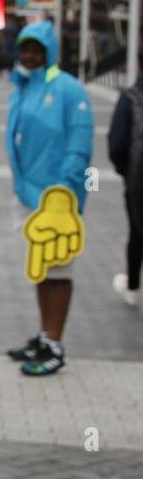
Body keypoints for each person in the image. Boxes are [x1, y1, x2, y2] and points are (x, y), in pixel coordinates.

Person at [4, 19, 94, 376]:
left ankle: (55, 345)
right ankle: (44, 334)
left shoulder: (69, 90)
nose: (29, 55)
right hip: (29, 195)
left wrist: (66, 193)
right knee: (41, 265)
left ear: (50, 52)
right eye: (24, 48)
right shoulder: (22, 88)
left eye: (36, 50)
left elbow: (80, 143)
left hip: (57, 197)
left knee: (58, 268)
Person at [108, 57, 143, 308]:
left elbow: (117, 145)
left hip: (138, 181)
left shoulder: (131, 97)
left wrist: (126, 171)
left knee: (137, 232)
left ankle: (132, 286)